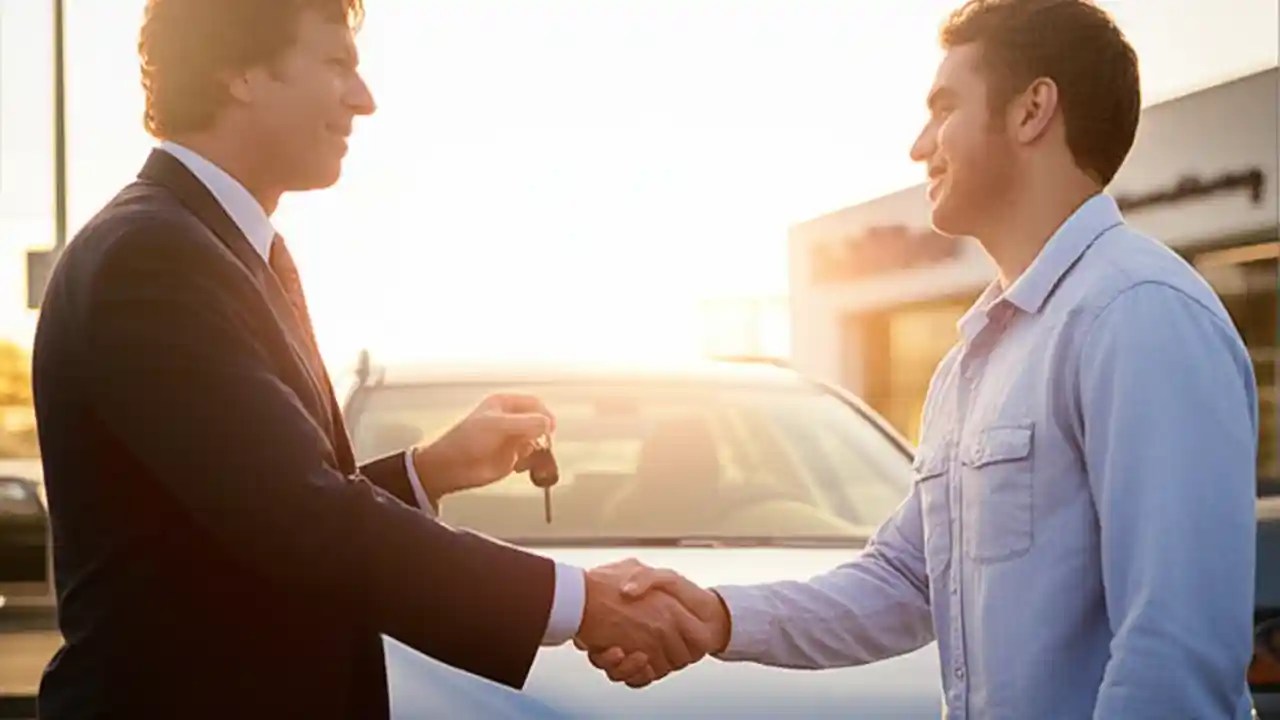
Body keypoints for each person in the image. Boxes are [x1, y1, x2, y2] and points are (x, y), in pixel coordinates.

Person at [30, 2, 714, 717]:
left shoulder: (217, 248)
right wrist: (581, 601)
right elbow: (304, 521)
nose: (364, 99)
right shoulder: (155, 257)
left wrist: (433, 469)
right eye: (336, 65)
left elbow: (254, 510)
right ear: (237, 73)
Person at [583, 1, 1260, 717]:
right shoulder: (975, 360)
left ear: (1033, 109)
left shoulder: (1138, 314)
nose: (919, 145)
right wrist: (715, 615)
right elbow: (908, 580)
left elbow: (1176, 653)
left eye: (944, 109)